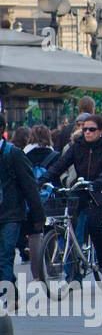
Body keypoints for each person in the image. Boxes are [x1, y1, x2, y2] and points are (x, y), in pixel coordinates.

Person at [46, 113, 102, 273]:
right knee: (69, 224)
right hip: (82, 191)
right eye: (85, 129)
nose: (87, 132)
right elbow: (60, 165)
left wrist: (101, 180)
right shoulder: (77, 146)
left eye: (92, 129)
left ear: (101, 131)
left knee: (94, 225)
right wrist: (44, 179)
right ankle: (74, 275)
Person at [0, 113, 44, 297]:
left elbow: (29, 185)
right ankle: (12, 291)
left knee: (5, 255)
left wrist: (38, 214)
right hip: (8, 212)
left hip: (11, 213)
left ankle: (7, 295)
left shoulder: (14, 153)